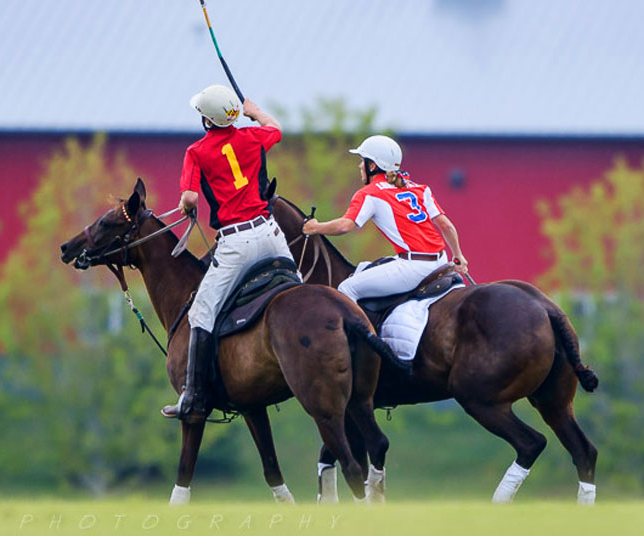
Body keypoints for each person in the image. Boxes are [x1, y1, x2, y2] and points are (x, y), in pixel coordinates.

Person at [163, 85, 297, 422]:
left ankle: (192, 395)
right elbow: (276, 129)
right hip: (271, 234)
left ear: (208, 120)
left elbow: (191, 199)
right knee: (299, 292)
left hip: (236, 242)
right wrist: (254, 110)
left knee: (201, 313)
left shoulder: (196, 151)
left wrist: (184, 204)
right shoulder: (253, 137)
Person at [302, 135, 469, 304]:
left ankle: (363, 331)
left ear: (372, 165)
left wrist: (315, 227)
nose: (360, 166)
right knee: (365, 268)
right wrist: (458, 255)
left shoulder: (370, 193)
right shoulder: (419, 188)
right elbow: (446, 226)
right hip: (440, 262)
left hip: (413, 267)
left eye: (362, 161)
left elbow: (345, 226)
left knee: (346, 288)